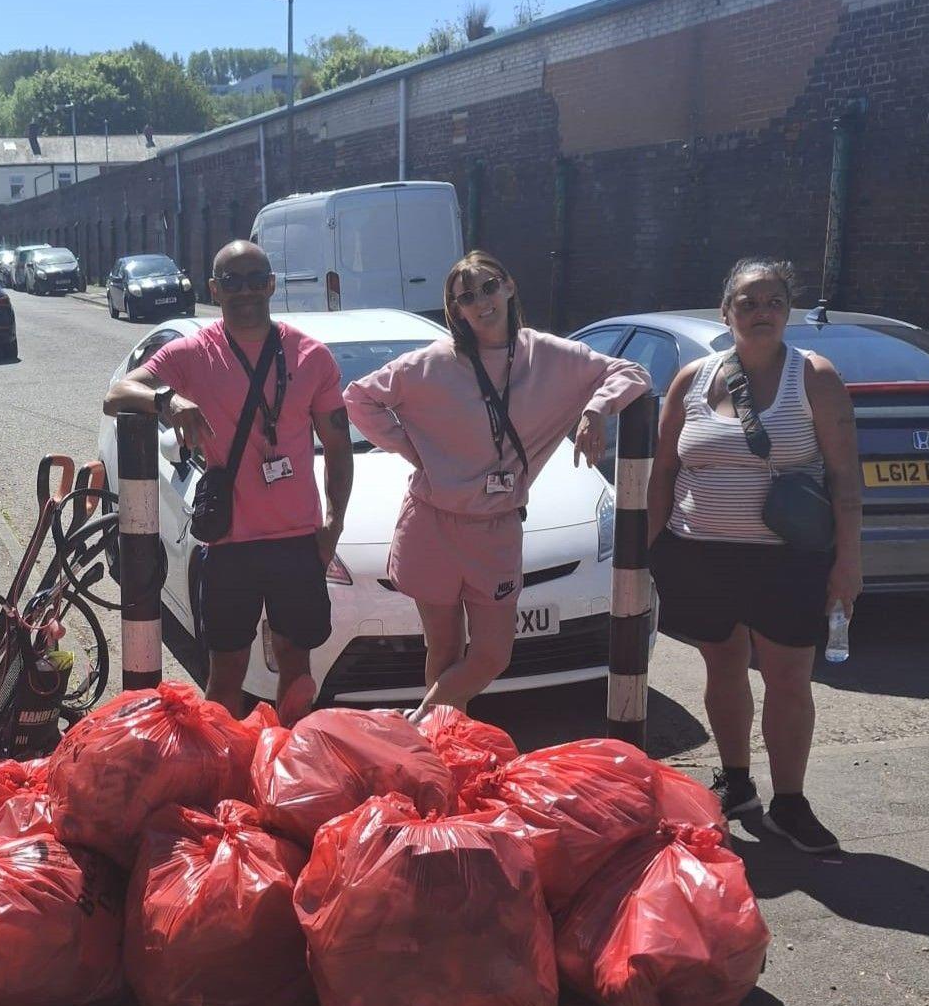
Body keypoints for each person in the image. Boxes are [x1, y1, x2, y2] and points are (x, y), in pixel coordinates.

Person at [344, 249, 651, 717]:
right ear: (457, 310)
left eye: (489, 286)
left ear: (508, 286)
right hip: (432, 524)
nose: (481, 301)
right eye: (467, 296)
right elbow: (359, 398)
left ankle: (417, 725)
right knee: (443, 655)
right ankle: (445, 747)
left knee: (491, 655)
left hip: (497, 528)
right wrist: (412, 450)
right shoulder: (430, 364)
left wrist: (595, 409)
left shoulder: (548, 354)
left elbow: (631, 373)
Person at [647, 257, 862, 856]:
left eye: (772, 301)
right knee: (722, 668)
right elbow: (665, 469)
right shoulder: (692, 379)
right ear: (726, 312)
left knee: (789, 679)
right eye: (748, 301)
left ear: (787, 312)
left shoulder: (814, 377)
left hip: (787, 560)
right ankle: (736, 784)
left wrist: (849, 563)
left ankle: (789, 804)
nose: (761, 311)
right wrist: (646, 552)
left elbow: (846, 479)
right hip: (700, 555)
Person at [103, 239, 353, 721]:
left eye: (256, 279)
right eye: (232, 281)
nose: (245, 291)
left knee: (297, 673)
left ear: (272, 285)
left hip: (297, 541)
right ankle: (225, 773)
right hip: (229, 543)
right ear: (214, 290)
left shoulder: (311, 357)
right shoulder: (195, 352)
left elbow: (339, 450)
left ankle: (289, 772)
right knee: (225, 675)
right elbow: (117, 394)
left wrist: (332, 527)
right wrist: (168, 402)